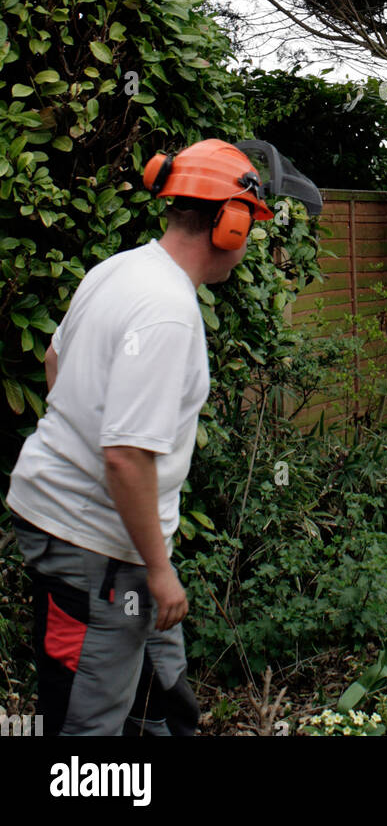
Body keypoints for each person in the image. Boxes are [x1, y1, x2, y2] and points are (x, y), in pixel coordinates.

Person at [5, 139, 274, 737]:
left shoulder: (120, 269)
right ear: (227, 224)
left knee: (162, 697)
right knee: (86, 724)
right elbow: (125, 456)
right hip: (95, 551)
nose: (248, 239)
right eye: (249, 224)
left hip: (107, 546)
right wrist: (159, 571)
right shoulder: (168, 312)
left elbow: (55, 361)